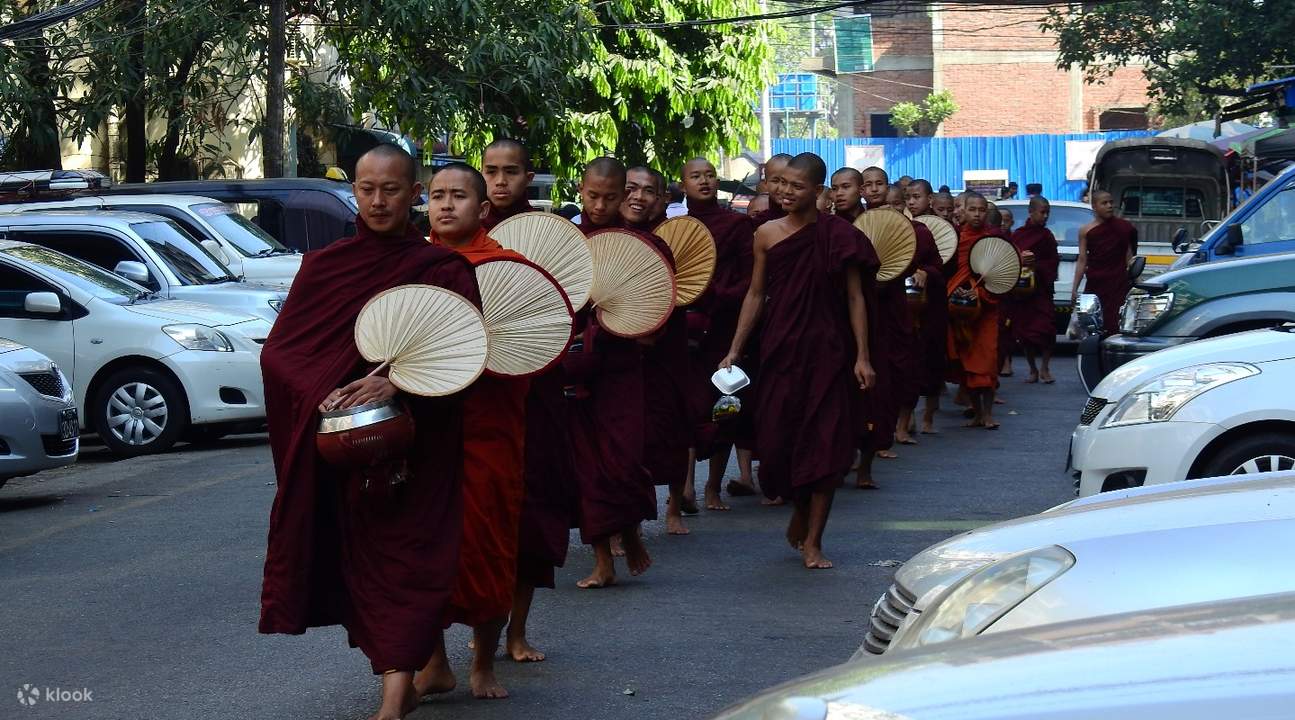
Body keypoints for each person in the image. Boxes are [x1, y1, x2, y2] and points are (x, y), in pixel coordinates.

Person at [258, 144, 480, 720]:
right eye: (366, 189)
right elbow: (282, 355)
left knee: (409, 558)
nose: (378, 201)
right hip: (346, 446)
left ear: (415, 194)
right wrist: (322, 393)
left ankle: (393, 699)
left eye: (392, 189)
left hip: (419, 446)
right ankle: (414, 672)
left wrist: (397, 384)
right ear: (353, 191)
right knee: (361, 560)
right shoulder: (324, 267)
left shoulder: (442, 271)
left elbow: (463, 354)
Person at [722, 152, 877, 569]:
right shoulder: (767, 235)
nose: (786, 192)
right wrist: (735, 349)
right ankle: (798, 506)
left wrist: (862, 356)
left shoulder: (839, 236)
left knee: (825, 447)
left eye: (797, 186)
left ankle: (814, 541)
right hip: (781, 351)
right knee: (778, 445)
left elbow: (855, 296)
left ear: (818, 191)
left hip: (828, 353)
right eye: (780, 183)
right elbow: (755, 295)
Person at [415, 163, 528, 701]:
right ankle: (435, 661)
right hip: (424, 427)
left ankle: (484, 661)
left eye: (458, 196)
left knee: (488, 541)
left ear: (483, 210)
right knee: (423, 546)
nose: (446, 205)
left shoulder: (509, 269)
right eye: (437, 195)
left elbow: (537, 343)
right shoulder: (411, 265)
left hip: (488, 423)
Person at [567, 157, 656, 588]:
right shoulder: (565, 239)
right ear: (581, 191)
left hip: (621, 367)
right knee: (587, 466)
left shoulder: (634, 244)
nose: (599, 205)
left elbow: (653, 312)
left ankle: (631, 529)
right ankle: (602, 560)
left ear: (624, 197)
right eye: (592, 196)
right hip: (577, 368)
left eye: (609, 197)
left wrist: (615, 320)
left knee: (623, 460)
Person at [682, 157, 758, 509]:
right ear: (684, 185)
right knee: (685, 411)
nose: (705, 182)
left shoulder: (736, 226)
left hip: (724, 328)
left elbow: (750, 281)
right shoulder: (677, 229)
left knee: (725, 409)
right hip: (684, 330)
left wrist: (718, 295)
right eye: (696, 176)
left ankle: (712, 486)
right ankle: (685, 488)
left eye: (710, 175)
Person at [622, 167, 693, 534]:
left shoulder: (663, 243)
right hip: (616, 352)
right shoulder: (601, 236)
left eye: (648, 191)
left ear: (662, 199)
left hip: (662, 348)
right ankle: (623, 522)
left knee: (671, 429)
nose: (638, 197)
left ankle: (675, 507)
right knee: (623, 441)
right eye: (631, 188)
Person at [854, 167, 912, 486]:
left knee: (884, 384)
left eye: (880, 184)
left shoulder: (899, 223)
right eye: (868, 184)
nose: (874, 189)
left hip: (888, 309)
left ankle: (870, 456)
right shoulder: (847, 223)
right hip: (855, 309)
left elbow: (911, 259)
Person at [946, 193, 1001, 430]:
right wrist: (957, 292)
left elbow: (1003, 273)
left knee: (987, 361)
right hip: (961, 310)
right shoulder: (955, 239)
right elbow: (948, 271)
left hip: (987, 310)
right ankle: (977, 413)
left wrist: (981, 293)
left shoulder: (994, 239)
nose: (977, 214)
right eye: (973, 210)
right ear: (964, 211)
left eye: (981, 210)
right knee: (966, 363)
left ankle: (988, 414)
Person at [901, 179, 948, 436]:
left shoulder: (924, 231)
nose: (911, 202)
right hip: (903, 302)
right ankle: (905, 417)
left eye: (915, 197)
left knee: (931, 360)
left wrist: (926, 272)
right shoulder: (900, 229)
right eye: (907, 197)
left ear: (929, 199)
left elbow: (941, 267)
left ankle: (928, 415)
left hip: (931, 305)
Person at [1010, 196, 1060, 384]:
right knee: (1024, 333)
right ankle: (1032, 369)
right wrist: (1021, 261)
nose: (1045, 216)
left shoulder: (1047, 236)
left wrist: (1036, 265)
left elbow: (1053, 261)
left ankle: (1045, 367)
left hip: (1041, 290)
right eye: (1042, 212)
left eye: (1048, 212)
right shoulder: (1019, 235)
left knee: (1046, 329)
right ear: (1031, 212)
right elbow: (1010, 257)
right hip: (1023, 292)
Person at [1074, 190, 1137, 333]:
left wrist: (1137, 281)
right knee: (1094, 323)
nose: (1109, 206)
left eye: (1111, 202)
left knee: (1116, 323)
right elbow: (1082, 259)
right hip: (1096, 283)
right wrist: (1074, 289)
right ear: (1094, 207)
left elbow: (1129, 256)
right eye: (1104, 203)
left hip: (1118, 283)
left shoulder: (1123, 228)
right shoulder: (1086, 231)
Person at [481, 138, 535, 228]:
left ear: (528, 178)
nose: (500, 181)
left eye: (511, 172)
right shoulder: (466, 223)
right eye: (491, 172)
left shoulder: (538, 225)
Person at [753, 153, 793, 225]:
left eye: (786, 181)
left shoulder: (806, 220)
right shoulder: (759, 222)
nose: (781, 188)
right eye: (775, 181)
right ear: (766, 183)